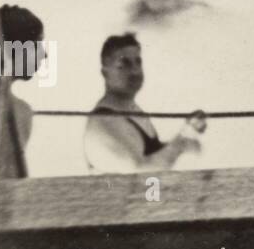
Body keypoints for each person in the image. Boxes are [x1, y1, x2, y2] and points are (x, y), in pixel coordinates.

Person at [83, 34, 206, 173]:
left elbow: (154, 156)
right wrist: (182, 141)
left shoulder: (131, 111)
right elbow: (141, 172)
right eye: (124, 65)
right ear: (105, 73)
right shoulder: (103, 120)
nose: (135, 71)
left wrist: (189, 130)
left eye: (138, 62)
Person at [0, 5, 47, 180]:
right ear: (15, 48)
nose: (45, 54)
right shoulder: (20, 114)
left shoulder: (22, 112)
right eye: (37, 45)